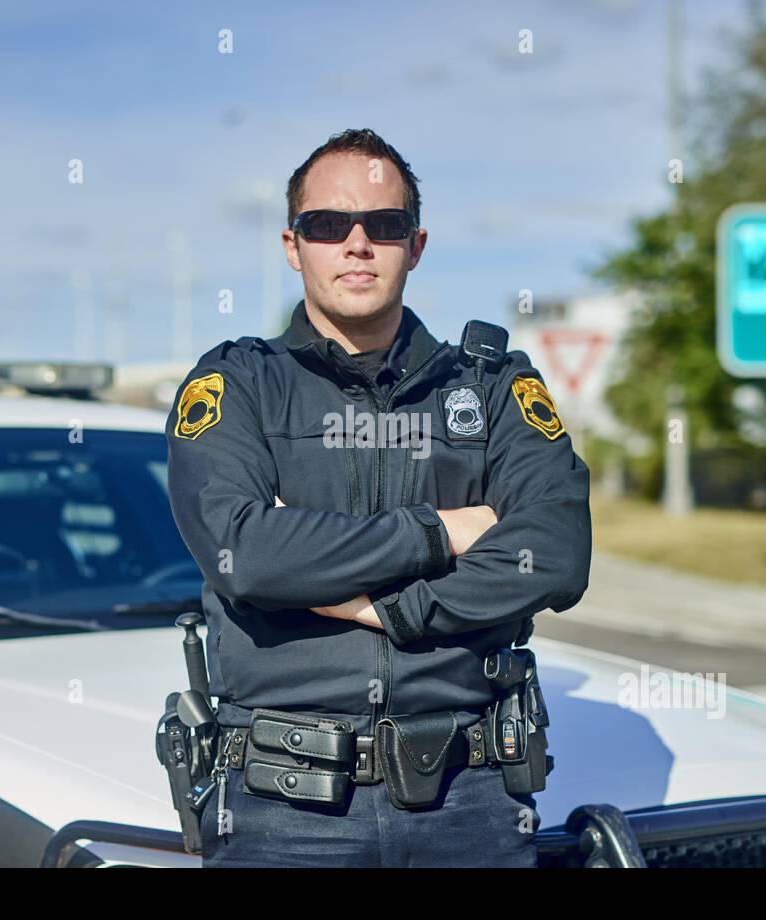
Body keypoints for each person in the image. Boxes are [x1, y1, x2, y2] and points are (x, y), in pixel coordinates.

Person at [165, 128, 591, 867]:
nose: (357, 243)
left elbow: (554, 551)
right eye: (329, 225)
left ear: (415, 244)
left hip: (470, 799)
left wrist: (396, 608)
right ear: (293, 245)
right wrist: (439, 533)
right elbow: (248, 554)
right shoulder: (237, 386)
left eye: (383, 225)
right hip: (284, 810)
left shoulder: (489, 389)